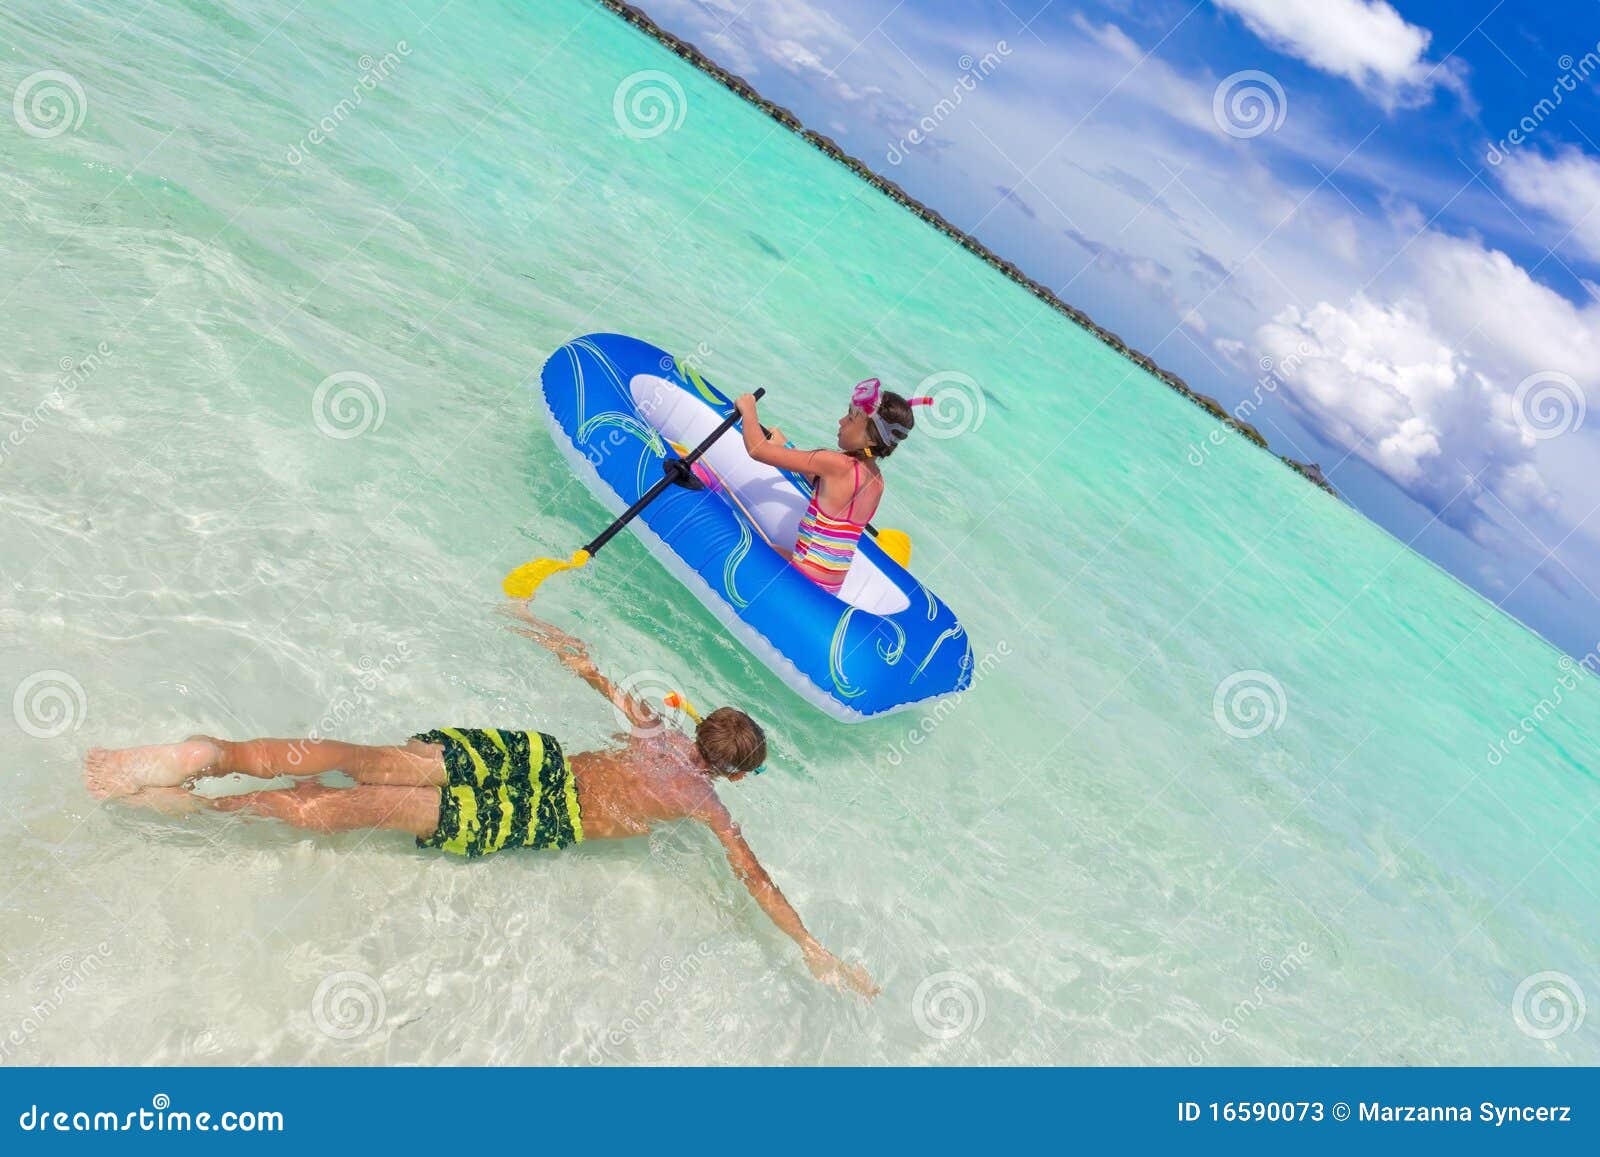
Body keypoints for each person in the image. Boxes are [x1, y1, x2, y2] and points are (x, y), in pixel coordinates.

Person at [81, 604, 876, 996]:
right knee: (363, 807)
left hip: (530, 757)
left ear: (702, 725)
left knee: (366, 758)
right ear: (731, 772)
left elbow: (595, 674)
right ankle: (213, 812)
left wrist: (558, 640)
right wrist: (812, 945)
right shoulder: (706, 805)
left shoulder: (657, 731)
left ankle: (212, 753)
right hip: (537, 814)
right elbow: (755, 878)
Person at [734, 378, 924, 594]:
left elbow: (758, 450)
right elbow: (824, 485)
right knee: (773, 550)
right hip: (828, 590)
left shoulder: (835, 463)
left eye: (851, 418)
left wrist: (749, 410)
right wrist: (786, 447)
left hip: (801, 579)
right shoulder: (877, 482)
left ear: (871, 439)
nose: (841, 421)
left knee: (745, 546)